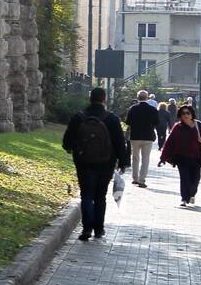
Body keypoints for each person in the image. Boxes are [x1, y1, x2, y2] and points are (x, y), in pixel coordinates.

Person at [63, 87, 129, 241]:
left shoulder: (79, 117)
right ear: (104, 99)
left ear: (90, 98)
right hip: (106, 162)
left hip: (83, 161)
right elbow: (120, 142)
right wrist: (123, 161)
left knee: (86, 194)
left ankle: (86, 228)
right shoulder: (111, 118)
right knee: (100, 195)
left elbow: (67, 141)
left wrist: (71, 148)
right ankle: (99, 229)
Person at [157, 104, 201, 206]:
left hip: (196, 157)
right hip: (182, 157)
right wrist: (163, 157)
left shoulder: (198, 124)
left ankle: (192, 194)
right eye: (183, 113)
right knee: (184, 178)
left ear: (192, 114)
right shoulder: (178, 127)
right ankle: (184, 198)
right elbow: (169, 142)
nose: (185, 115)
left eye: (187, 113)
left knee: (195, 178)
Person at [124, 90, 161, 187]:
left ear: (138, 97)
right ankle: (142, 180)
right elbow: (157, 122)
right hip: (148, 137)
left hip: (135, 136)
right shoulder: (152, 109)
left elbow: (127, 122)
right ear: (147, 97)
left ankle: (135, 178)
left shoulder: (132, 108)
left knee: (135, 158)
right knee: (145, 159)